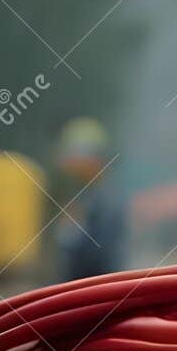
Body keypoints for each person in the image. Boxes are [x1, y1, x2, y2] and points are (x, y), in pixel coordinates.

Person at [54, 117, 126, 281]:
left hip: (97, 293)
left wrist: (70, 236)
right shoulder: (88, 194)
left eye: (73, 154)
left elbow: (101, 257)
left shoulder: (105, 200)